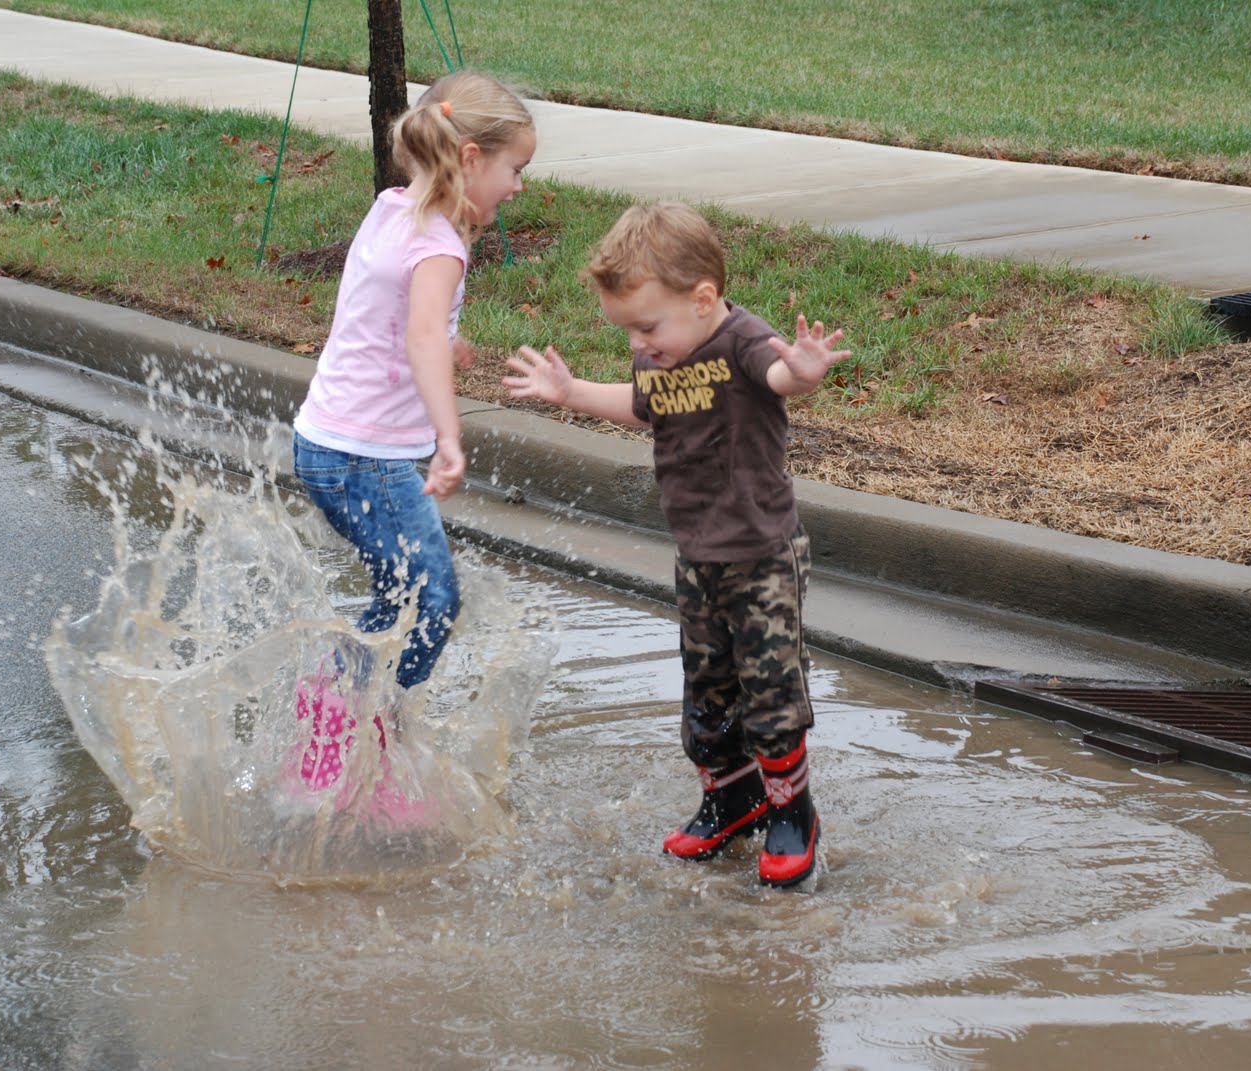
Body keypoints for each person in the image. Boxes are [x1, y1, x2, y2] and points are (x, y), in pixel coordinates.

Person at [503, 202, 850, 887]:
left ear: (703, 299)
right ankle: (731, 796)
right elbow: (640, 406)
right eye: (629, 330)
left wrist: (804, 372)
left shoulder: (744, 343)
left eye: (646, 327)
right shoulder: (665, 354)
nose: (638, 343)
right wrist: (569, 392)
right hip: (697, 557)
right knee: (708, 694)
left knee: (771, 693)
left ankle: (792, 811)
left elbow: (779, 377)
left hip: (762, 557)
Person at [291, 70, 536, 790]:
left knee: (400, 594)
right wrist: (450, 435)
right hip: (367, 457)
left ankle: (343, 697)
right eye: (513, 169)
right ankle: (366, 725)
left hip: (326, 443)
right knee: (434, 598)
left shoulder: (392, 209)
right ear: (469, 158)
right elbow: (422, 333)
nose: (517, 187)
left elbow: (382, 312)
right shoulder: (442, 245)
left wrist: (435, 342)